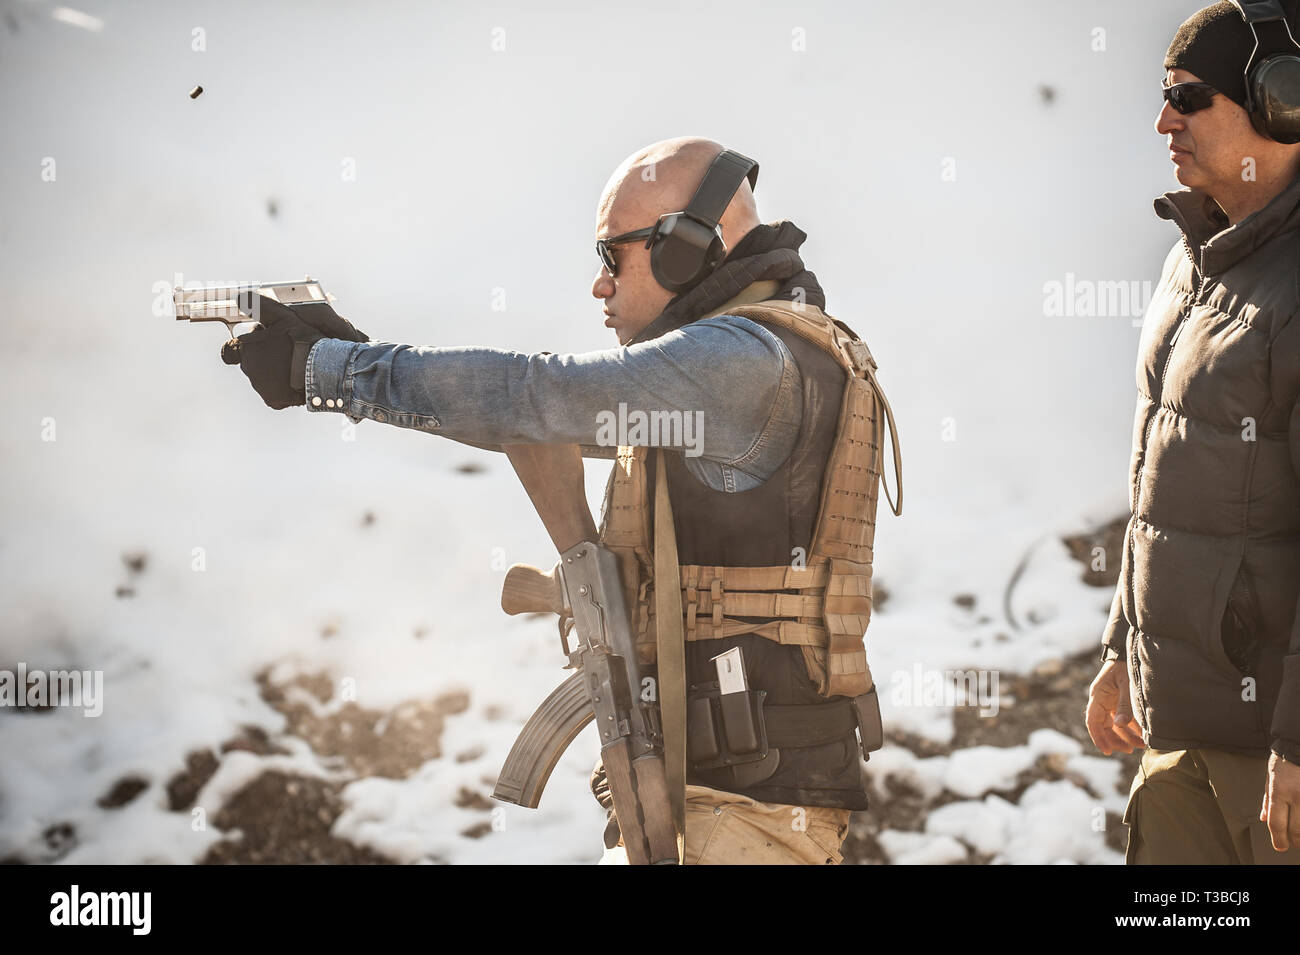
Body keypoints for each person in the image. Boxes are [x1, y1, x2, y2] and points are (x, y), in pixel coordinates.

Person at [223, 136, 900, 865]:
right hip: (720, 814)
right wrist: (355, 360)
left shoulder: (740, 365)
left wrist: (328, 371)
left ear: (687, 249)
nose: (599, 287)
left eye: (615, 256)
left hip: (740, 825)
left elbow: (536, 396)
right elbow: (529, 414)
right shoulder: (756, 362)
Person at [1085, 0, 1300, 864]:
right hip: (1177, 736)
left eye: (1190, 95)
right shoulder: (1194, 258)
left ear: (1282, 103)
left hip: (1273, 761)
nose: (1162, 119)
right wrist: (1119, 647)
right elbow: (1166, 488)